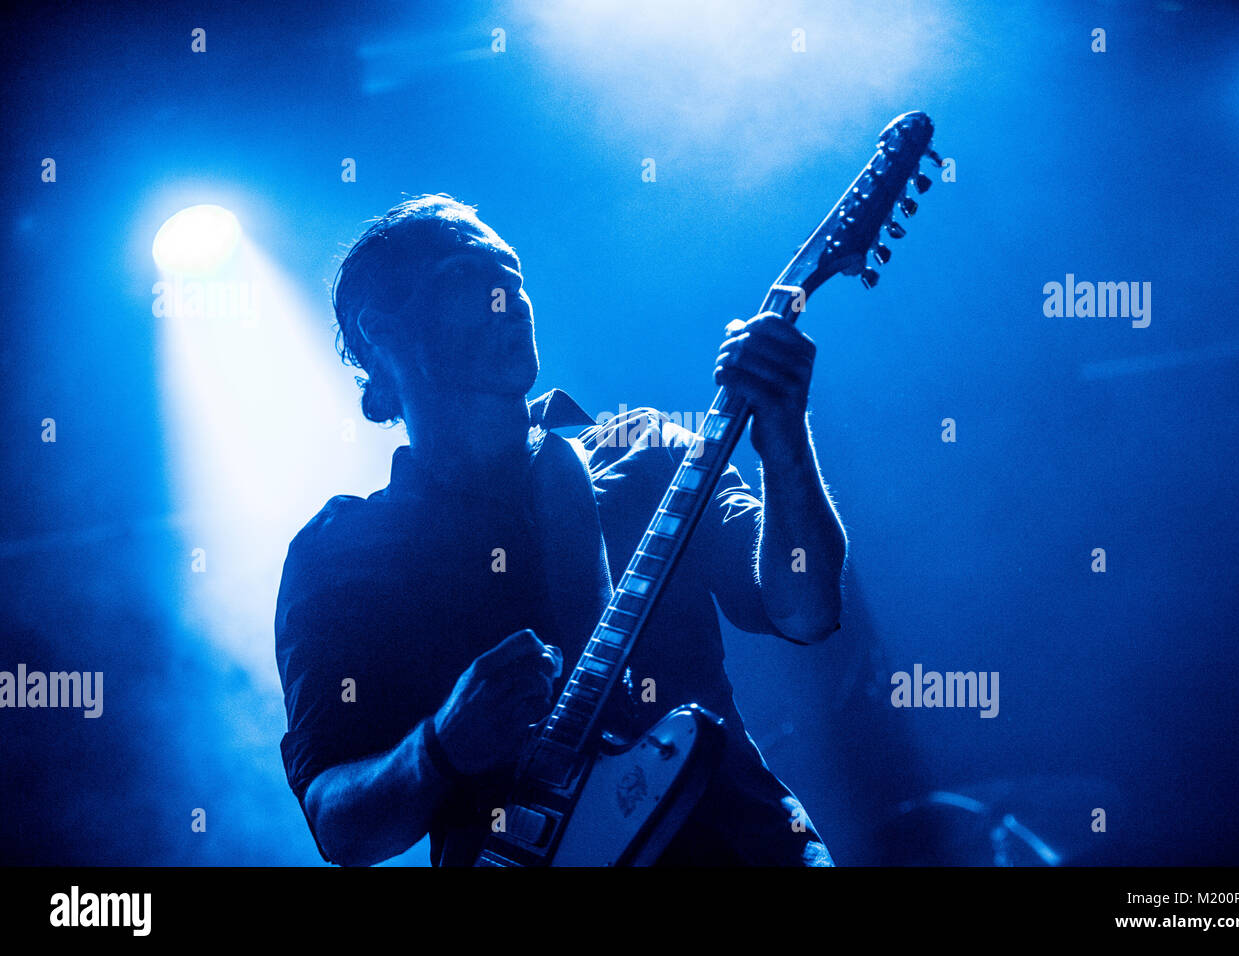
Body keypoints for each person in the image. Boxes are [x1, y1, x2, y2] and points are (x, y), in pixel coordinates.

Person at [275, 193, 847, 866]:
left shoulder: (648, 448)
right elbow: (341, 829)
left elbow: (806, 608)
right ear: (381, 329)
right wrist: (440, 745)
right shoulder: (339, 553)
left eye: (513, 276)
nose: (510, 297)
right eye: (467, 276)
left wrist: (782, 432)